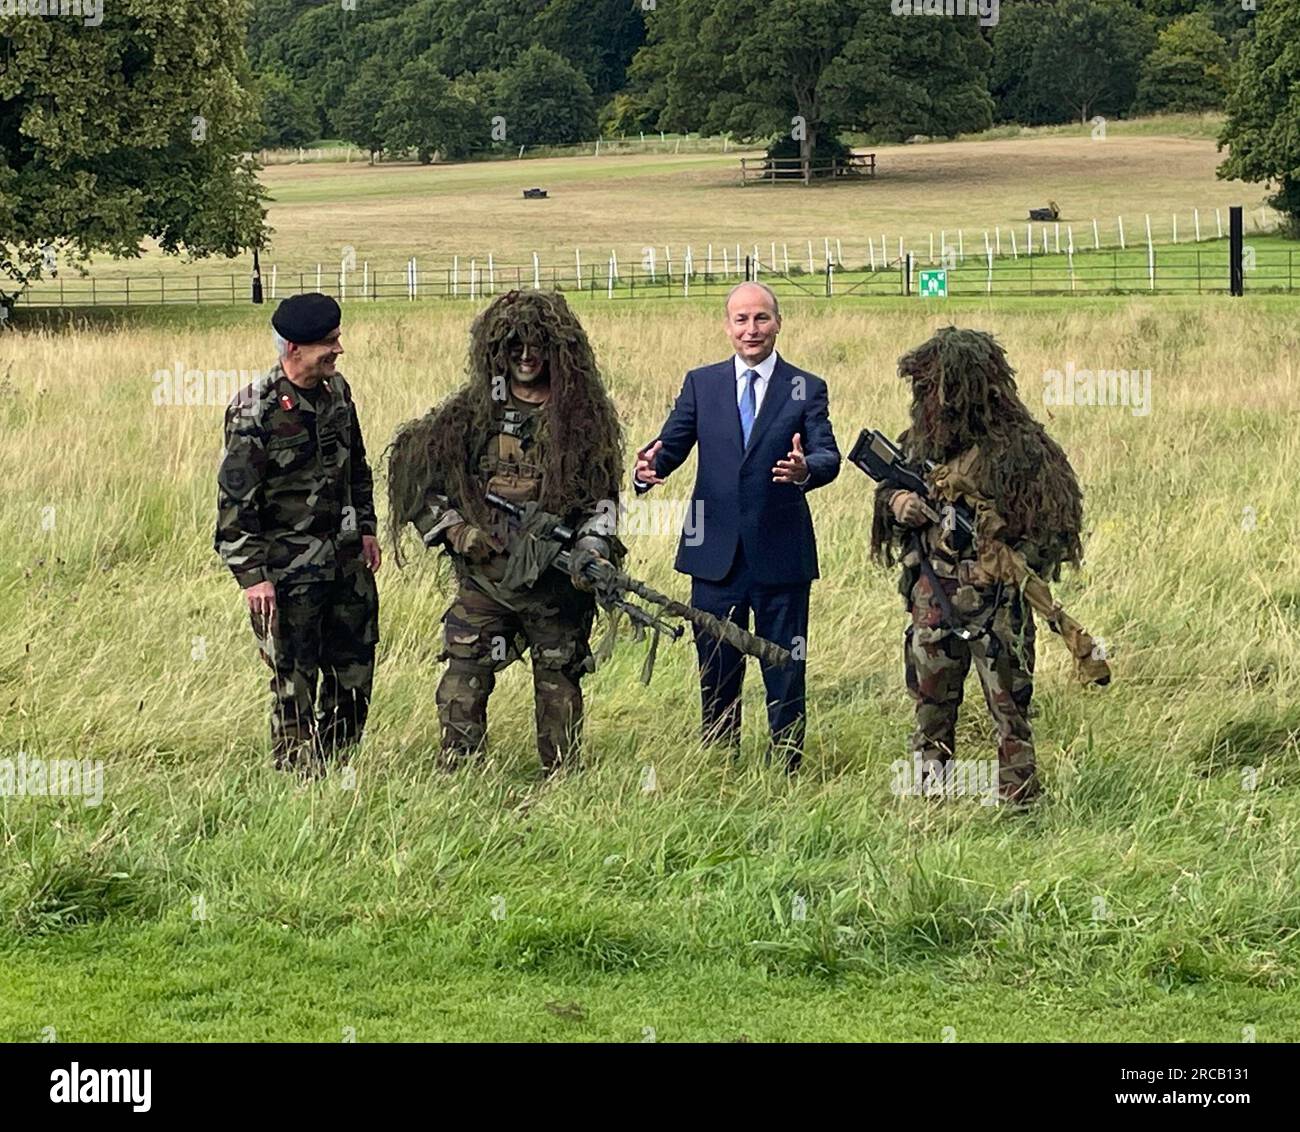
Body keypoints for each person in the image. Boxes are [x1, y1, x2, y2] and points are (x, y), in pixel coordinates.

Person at [386, 289, 624, 774]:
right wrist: (457, 532)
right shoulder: (471, 415)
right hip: (485, 582)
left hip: (554, 586)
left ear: (559, 350)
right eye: (514, 345)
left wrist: (592, 549)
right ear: (496, 350)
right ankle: (459, 775)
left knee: (559, 685)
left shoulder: (581, 420)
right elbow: (415, 480)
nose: (526, 356)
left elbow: (603, 500)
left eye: (538, 345)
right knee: (462, 681)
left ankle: (561, 781)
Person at [870, 327, 1086, 805]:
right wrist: (899, 502)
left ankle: (1019, 798)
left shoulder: (1025, 451)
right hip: (934, 596)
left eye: (940, 388)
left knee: (1009, 707)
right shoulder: (919, 446)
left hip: (999, 604)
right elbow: (886, 496)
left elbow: (1057, 525)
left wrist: (1007, 559)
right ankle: (928, 794)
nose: (931, 399)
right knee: (930, 706)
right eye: (924, 388)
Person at [633, 282, 840, 771]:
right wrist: (648, 472)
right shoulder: (701, 384)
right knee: (717, 666)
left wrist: (805, 469)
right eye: (742, 320)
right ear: (727, 327)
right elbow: (672, 445)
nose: (752, 329)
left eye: (761, 318)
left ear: (778, 322)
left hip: (781, 554)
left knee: (784, 664)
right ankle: (721, 763)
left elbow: (828, 454)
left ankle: (788, 762)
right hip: (714, 554)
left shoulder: (805, 387)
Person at [215, 292, 381, 774]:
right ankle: (296, 780)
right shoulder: (254, 411)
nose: (338, 350)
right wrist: (253, 578)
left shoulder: (338, 393)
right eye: (328, 343)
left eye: (337, 339)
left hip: (345, 564)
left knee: (354, 671)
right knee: (294, 681)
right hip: (287, 574)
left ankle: (339, 767)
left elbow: (358, 468)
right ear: (294, 349)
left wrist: (366, 527)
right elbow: (234, 507)